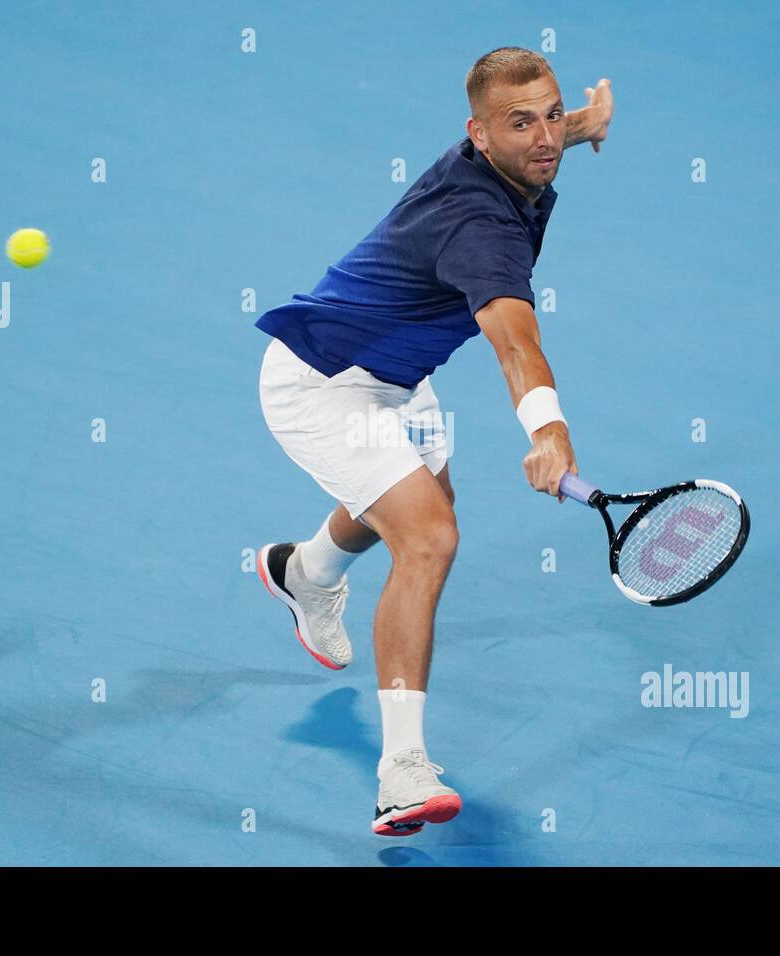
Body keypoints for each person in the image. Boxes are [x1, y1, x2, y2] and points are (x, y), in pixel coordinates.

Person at [255, 47, 613, 836]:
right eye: (523, 124)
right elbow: (517, 344)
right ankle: (402, 773)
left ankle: (304, 572)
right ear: (477, 137)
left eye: (552, 113)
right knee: (429, 537)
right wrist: (548, 431)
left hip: (398, 377)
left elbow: (541, 134)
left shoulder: (517, 156)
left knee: (416, 506)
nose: (544, 137)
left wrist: (582, 125)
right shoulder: (480, 226)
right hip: (321, 383)